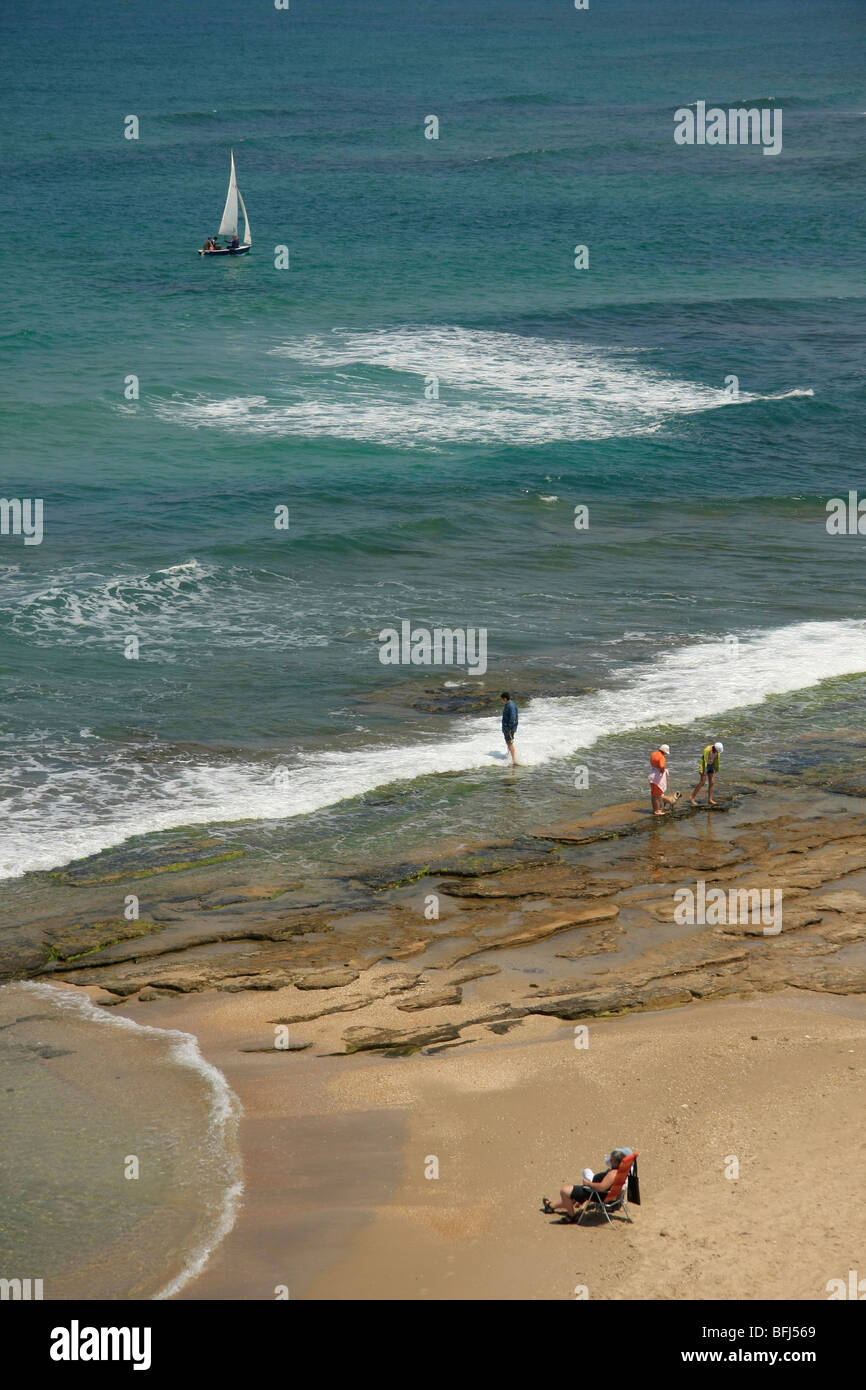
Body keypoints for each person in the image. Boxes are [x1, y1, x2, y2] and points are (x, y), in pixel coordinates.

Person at [541, 1148, 630, 1222]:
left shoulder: (612, 1174)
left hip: (594, 1193)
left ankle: (571, 1216)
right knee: (571, 1197)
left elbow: (602, 1187)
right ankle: (550, 1206)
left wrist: (588, 1183)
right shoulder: (622, 1172)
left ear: (616, 1162)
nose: (610, 1160)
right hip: (601, 1194)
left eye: (612, 1160)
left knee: (564, 1191)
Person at [649, 743, 679, 816]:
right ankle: (657, 811)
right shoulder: (661, 757)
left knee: (653, 795)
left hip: (652, 774)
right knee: (657, 795)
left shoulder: (653, 754)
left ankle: (655, 809)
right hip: (657, 777)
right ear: (664, 751)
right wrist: (663, 770)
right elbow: (662, 766)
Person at [691, 740, 724, 806]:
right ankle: (692, 798)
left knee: (712, 782)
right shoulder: (707, 750)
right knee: (702, 782)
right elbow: (702, 760)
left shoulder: (717, 751)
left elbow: (716, 760)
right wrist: (701, 769)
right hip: (704, 765)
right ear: (715, 748)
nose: (718, 752)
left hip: (711, 765)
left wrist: (716, 768)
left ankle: (710, 799)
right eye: (718, 751)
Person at [500, 691, 518, 766]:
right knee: (509, 743)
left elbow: (513, 718)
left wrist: (508, 728)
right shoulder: (509, 704)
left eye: (502, 699)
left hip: (509, 729)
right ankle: (510, 757)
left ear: (505, 699)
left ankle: (514, 760)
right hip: (508, 728)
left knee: (509, 743)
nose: (501, 701)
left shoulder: (510, 706)